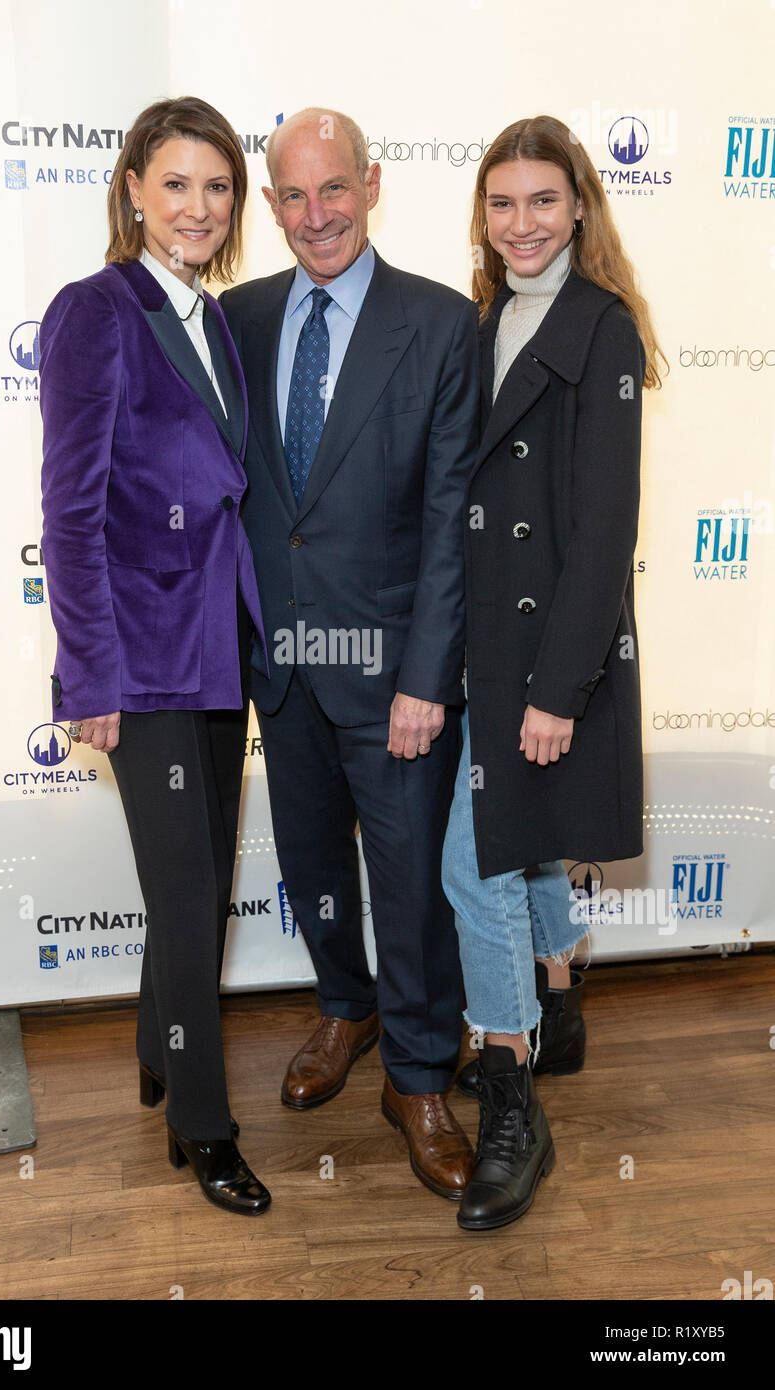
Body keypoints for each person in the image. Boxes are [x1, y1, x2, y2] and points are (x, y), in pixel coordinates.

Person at [220, 108, 481, 1201]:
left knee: (410, 883)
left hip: (394, 676)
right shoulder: (236, 317)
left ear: (372, 185)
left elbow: (451, 513)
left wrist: (428, 673)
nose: (315, 214)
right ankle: (346, 1007)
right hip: (280, 662)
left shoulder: (439, 322)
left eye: (334, 189)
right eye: (292, 194)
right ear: (269, 203)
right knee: (314, 866)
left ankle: (418, 1071)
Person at [38, 96, 271, 1217]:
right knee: (187, 901)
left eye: (217, 186)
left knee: (199, 887)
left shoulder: (211, 320)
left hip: (218, 649)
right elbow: (70, 513)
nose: (197, 206)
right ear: (132, 188)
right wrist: (89, 675)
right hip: (140, 661)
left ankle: (153, 1048)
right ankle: (204, 1125)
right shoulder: (97, 312)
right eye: (175, 183)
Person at [441, 114, 666, 1230]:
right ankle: (560, 988)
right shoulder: (484, 317)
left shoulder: (601, 327)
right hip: (478, 642)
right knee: (511, 843)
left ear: (580, 204)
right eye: (501, 203)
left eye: (541, 201)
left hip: (541, 657)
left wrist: (553, 690)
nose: (520, 223)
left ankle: (509, 1096)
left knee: (470, 865)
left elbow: (602, 527)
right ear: (480, 216)